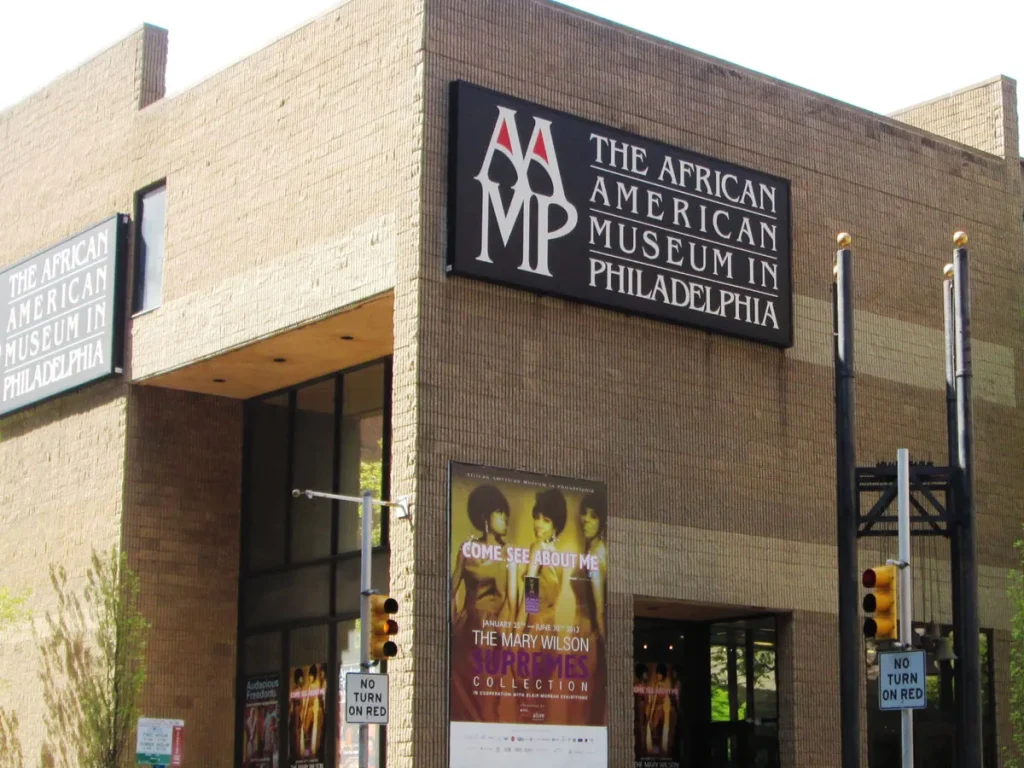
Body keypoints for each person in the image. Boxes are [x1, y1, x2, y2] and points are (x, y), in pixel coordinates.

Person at [450, 484, 516, 721]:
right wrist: (454, 618)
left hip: (494, 633)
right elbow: (451, 586)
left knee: (489, 696)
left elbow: (513, 598)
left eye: (505, 512)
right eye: (499, 512)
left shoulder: (508, 553)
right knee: (464, 694)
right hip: (468, 631)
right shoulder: (468, 549)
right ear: (485, 516)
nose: (505, 518)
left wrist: (506, 631)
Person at [572, 490, 607, 724]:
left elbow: (599, 609)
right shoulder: (587, 553)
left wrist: (605, 649)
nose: (585, 519)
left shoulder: (596, 556)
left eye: (593, 516)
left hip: (589, 636)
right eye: (584, 513)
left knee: (586, 703)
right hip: (578, 634)